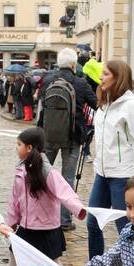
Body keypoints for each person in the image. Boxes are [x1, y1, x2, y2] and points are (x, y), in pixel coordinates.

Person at [5, 127, 86, 266]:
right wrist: (11, 221)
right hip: (26, 225)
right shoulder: (21, 169)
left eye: (19, 144)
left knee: (53, 262)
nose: (16, 148)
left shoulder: (47, 171)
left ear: (29, 147)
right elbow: (15, 199)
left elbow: (64, 191)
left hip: (47, 226)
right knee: (14, 254)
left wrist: (78, 209)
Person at [86, 60, 134, 259]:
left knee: (125, 227)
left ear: (118, 78)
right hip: (102, 174)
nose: (101, 77)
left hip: (123, 176)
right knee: (93, 222)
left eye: (106, 74)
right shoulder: (103, 103)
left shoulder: (131, 106)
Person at [38, 48, 97, 228]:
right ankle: (65, 220)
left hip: (48, 135)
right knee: (67, 178)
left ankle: (40, 215)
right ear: (73, 64)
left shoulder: (48, 80)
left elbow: (40, 103)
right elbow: (96, 103)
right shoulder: (81, 83)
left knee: (42, 175)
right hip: (72, 136)